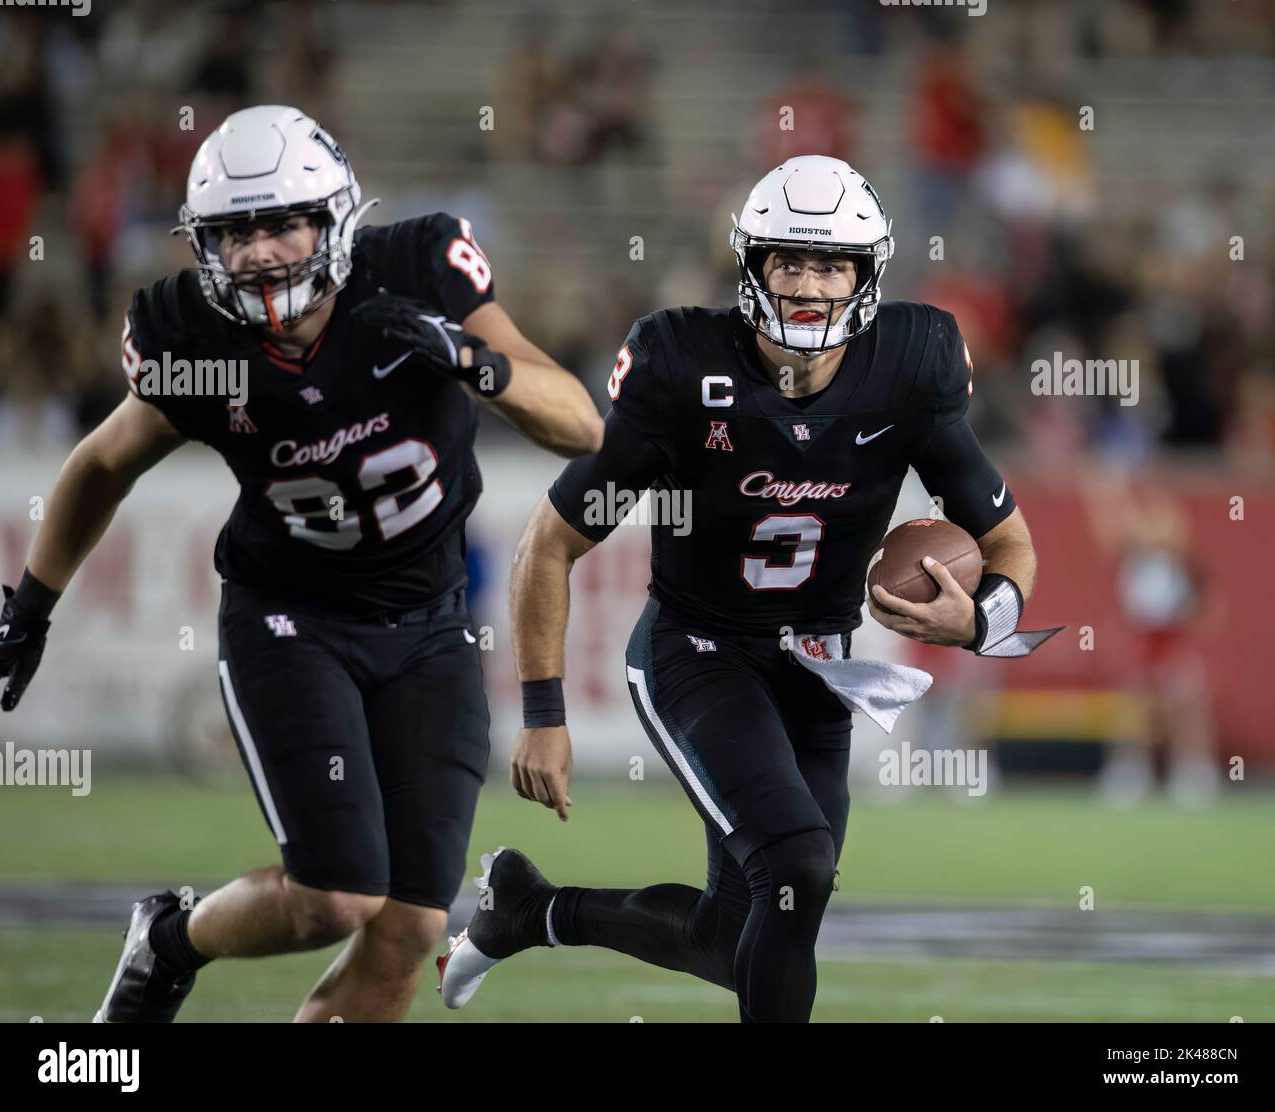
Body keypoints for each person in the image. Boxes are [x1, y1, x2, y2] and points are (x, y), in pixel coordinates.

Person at [0, 105, 602, 1023]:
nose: (263, 252)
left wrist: (469, 358)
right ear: (205, 246)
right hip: (292, 620)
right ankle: (169, 941)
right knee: (336, 895)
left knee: (408, 926)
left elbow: (583, 425)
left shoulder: (416, 268)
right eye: (236, 233)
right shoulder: (190, 334)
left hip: (430, 626)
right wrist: (31, 609)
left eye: (283, 223)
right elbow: (102, 463)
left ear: (335, 219)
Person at [438, 155, 1044, 1023]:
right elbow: (548, 542)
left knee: (744, 933)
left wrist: (984, 615)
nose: (807, 284)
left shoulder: (912, 364)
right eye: (787, 261)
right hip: (697, 649)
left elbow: (1009, 542)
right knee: (795, 865)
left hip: (819, 665)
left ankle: (529, 910)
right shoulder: (682, 366)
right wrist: (542, 714)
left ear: (867, 275)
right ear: (750, 266)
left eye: (831, 263)